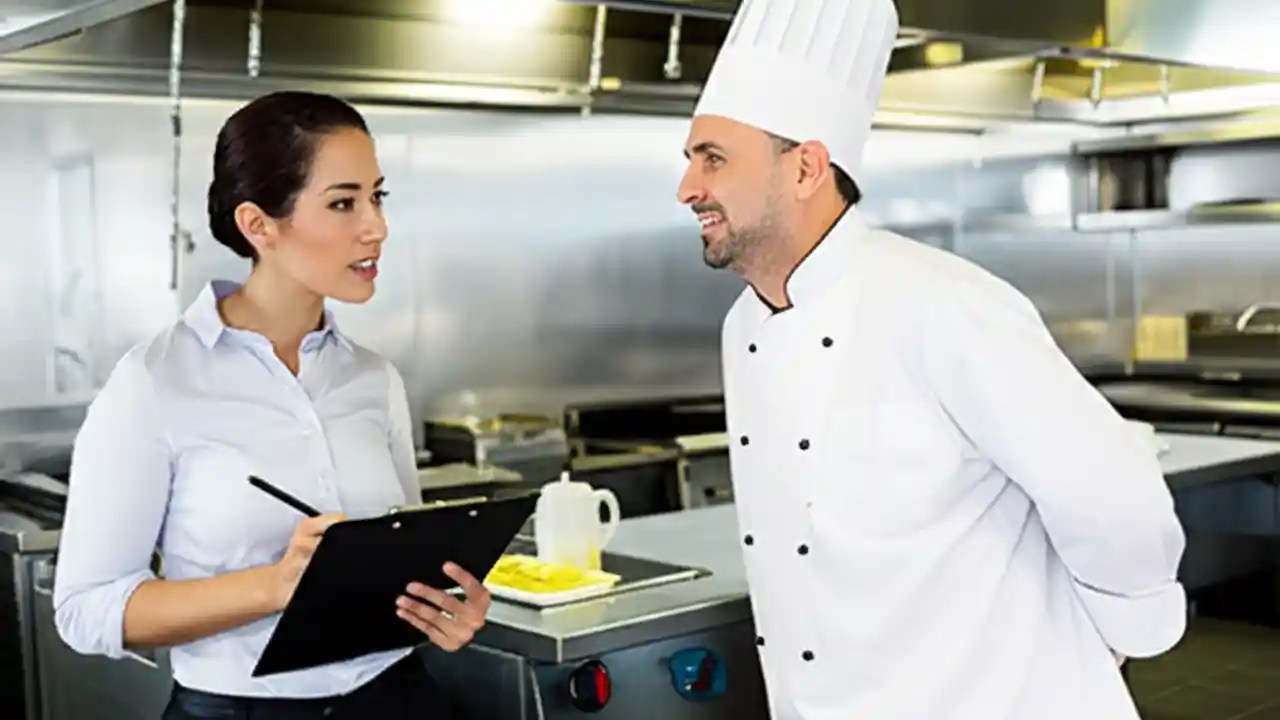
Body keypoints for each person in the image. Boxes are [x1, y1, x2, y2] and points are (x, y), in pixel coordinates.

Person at [676, 1, 1187, 718]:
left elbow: (1114, 492)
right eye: (692, 160)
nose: (688, 188)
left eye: (714, 159)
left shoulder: (941, 304)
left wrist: (1117, 629)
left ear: (806, 168)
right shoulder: (743, 327)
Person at [53, 91, 487, 719]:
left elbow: (403, 567)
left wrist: (442, 606)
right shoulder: (153, 382)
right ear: (259, 225)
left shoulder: (374, 378)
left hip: (398, 699)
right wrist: (274, 585)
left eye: (377, 196)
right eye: (343, 203)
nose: (377, 227)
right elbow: (85, 609)